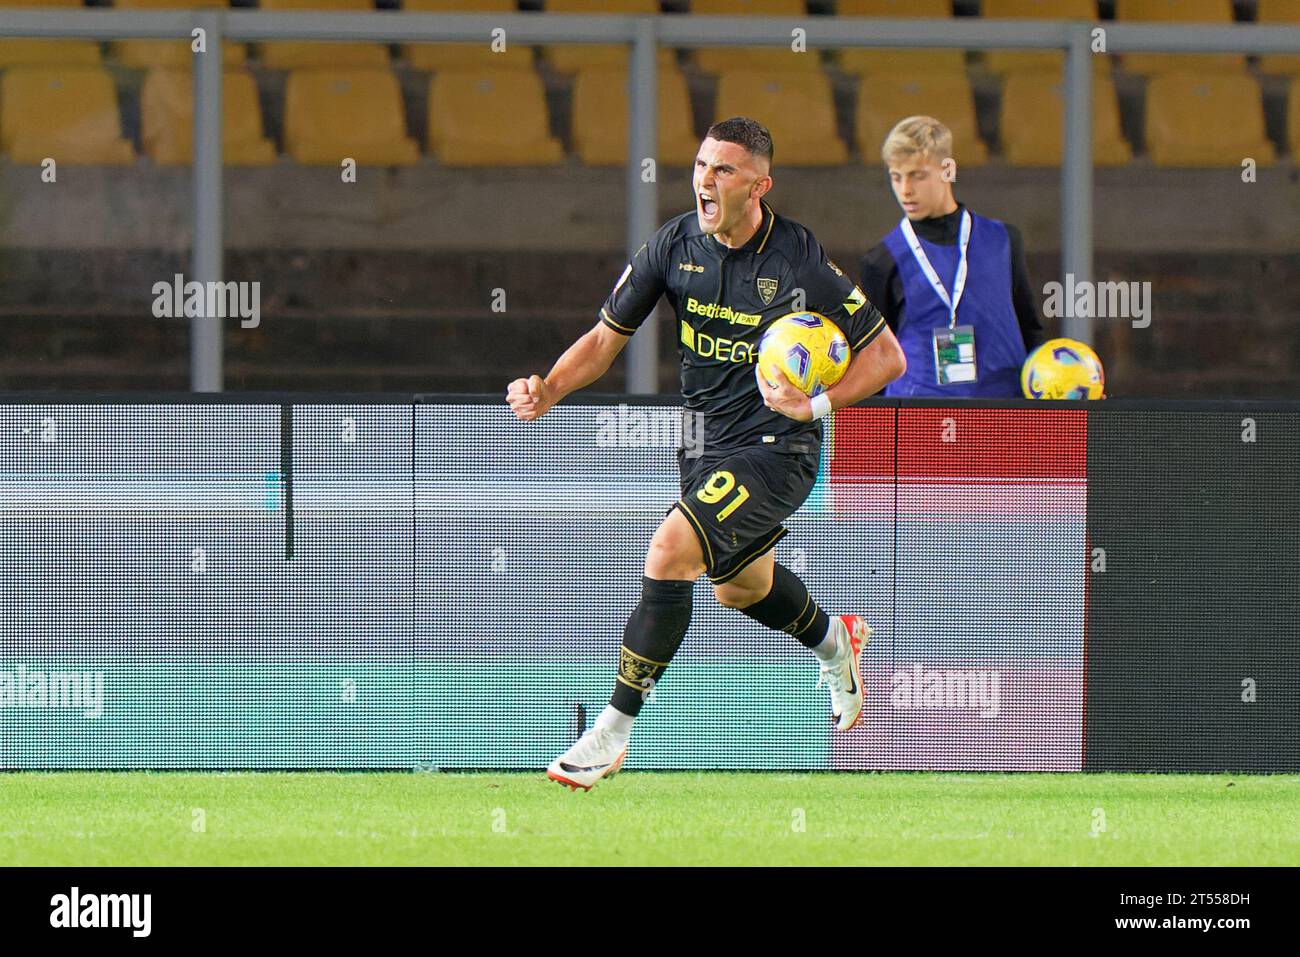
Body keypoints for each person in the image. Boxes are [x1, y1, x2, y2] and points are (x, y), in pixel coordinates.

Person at [507, 117, 906, 792]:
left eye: (723, 170)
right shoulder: (674, 243)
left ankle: (611, 731)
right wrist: (549, 387)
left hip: (779, 447)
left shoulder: (799, 259)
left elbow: (887, 356)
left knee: (668, 552)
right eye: (699, 166)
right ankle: (835, 640)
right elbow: (605, 340)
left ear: (759, 185)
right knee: (737, 587)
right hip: (705, 444)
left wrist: (815, 405)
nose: (704, 181)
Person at [859, 116, 1044, 397]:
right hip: (920, 415)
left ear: (948, 169)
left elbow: (1031, 331)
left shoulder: (1004, 240)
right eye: (896, 177)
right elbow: (875, 356)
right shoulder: (881, 259)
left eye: (917, 175)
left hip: (1004, 410)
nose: (905, 189)